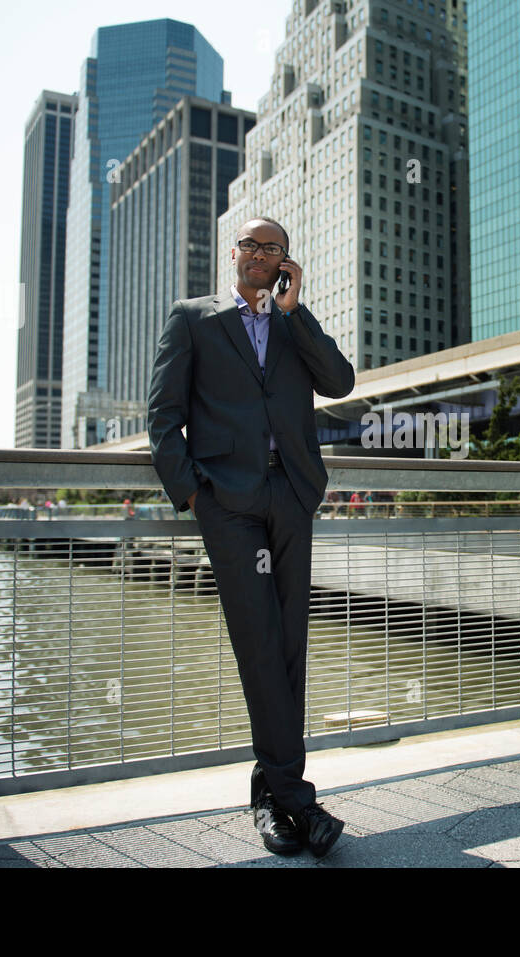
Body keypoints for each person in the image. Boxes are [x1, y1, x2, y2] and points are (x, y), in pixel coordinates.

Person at [147, 217, 354, 859]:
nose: (259, 255)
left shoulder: (294, 324)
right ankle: (297, 803)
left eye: (273, 248)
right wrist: (194, 497)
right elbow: (162, 419)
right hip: (229, 506)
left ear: (285, 263)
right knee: (260, 645)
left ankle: (271, 795)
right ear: (232, 254)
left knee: (290, 646)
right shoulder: (194, 319)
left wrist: (298, 313)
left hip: (290, 495)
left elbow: (341, 384)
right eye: (249, 244)